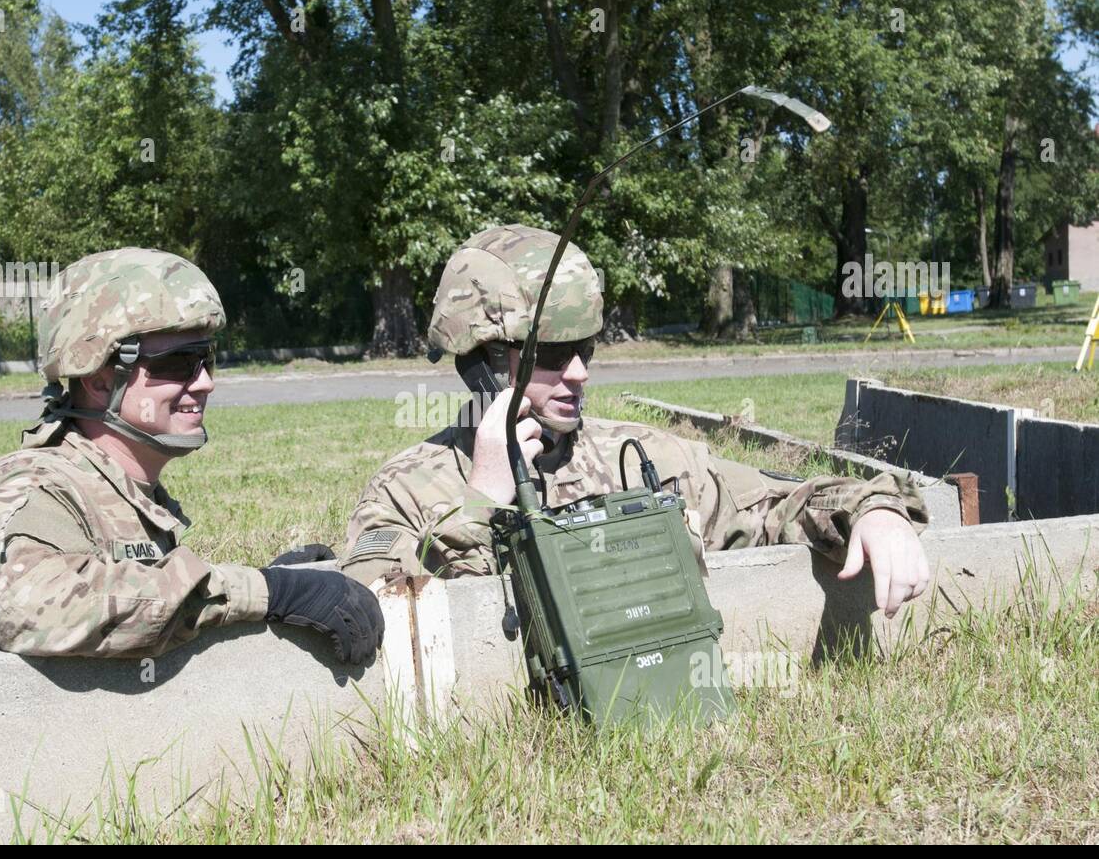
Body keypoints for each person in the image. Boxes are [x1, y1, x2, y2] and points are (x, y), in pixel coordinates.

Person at [341, 225, 930, 616]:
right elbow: (374, 617)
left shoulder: (645, 458)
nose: (578, 374)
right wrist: (481, 504)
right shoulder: (409, 491)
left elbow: (776, 504)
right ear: (483, 363)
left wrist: (873, 510)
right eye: (550, 354)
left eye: (586, 350)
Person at [0, 247, 382, 662]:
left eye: (207, 358)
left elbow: (140, 612)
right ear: (98, 379)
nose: (205, 382)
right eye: (178, 363)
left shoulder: (119, 486)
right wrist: (261, 590)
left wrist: (268, 587)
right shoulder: (35, 488)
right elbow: (36, 610)